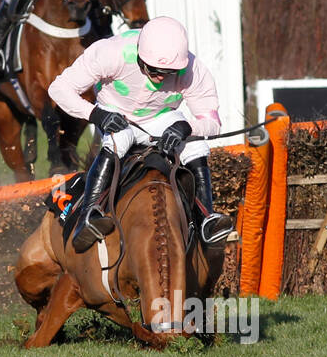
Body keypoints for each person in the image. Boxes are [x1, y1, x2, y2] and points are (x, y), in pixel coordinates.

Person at [48, 16, 235, 252]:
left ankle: (207, 218)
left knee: (195, 145)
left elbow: (211, 121)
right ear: (139, 55)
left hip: (161, 116)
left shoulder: (192, 68)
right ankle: (89, 214)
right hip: (114, 112)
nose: (161, 78)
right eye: (155, 70)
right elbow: (59, 89)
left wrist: (188, 127)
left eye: (169, 72)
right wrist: (96, 115)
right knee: (120, 140)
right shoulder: (110, 52)